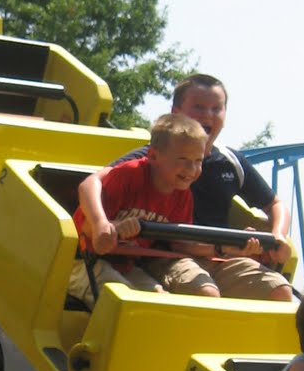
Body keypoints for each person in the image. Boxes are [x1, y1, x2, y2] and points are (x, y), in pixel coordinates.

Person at [115, 74, 294, 302]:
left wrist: (278, 235)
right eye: (199, 107)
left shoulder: (229, 161)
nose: (207, 115)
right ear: (177, 111)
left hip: (222, 256)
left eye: (216, 109)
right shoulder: (156, 156)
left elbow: (275, 204)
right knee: (205, 292)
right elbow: (101, 180)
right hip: (169, 255)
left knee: (279, 291)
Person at [67, 115, 219, 306]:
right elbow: (89, 229)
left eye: (198, 161)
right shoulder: (128, 175)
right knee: (123, 301)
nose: (192, 168)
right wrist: (111, 227)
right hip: (82, 262)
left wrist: (227, 248)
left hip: (126, 265)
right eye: (183, 159)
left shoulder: (182, 195)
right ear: (154, 156)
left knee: (159, 303)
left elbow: (180, 243)